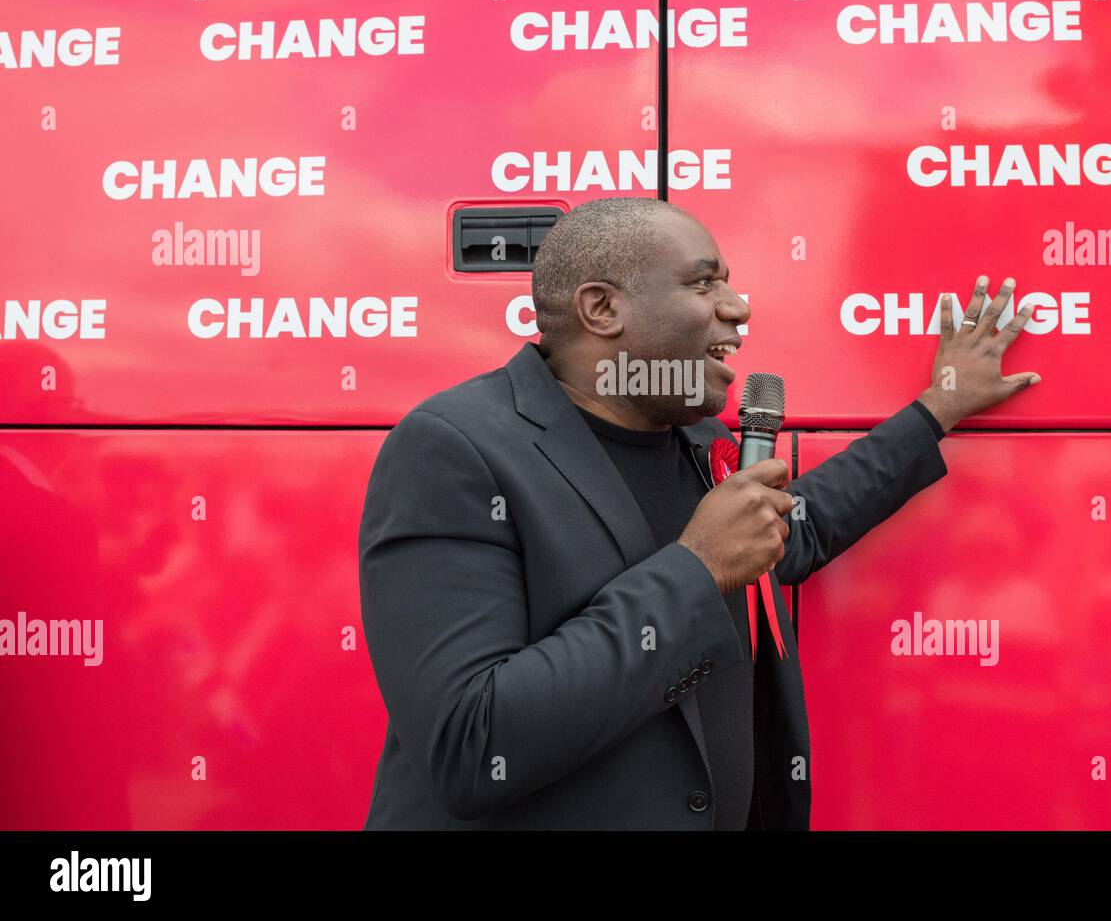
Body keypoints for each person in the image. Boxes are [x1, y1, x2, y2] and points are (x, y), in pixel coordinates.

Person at [358, 196, 1040, 829]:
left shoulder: (700, 442)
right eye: (704, 283)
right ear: (601, 308)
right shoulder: (456, 450)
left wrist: (938, 409)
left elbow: (795, 524)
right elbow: (473, 742)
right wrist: (699, 567)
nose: (738, 307)